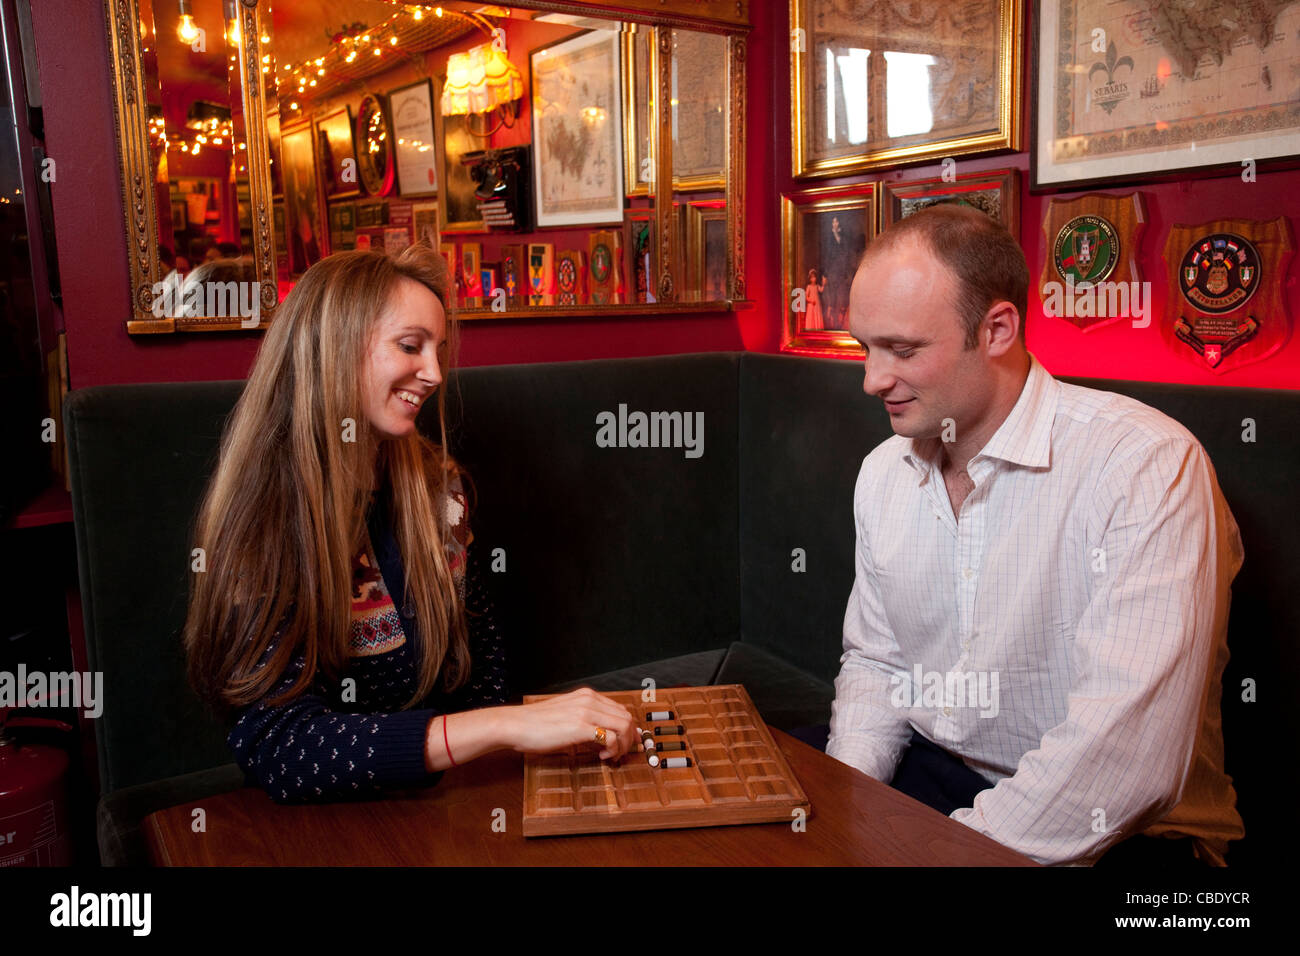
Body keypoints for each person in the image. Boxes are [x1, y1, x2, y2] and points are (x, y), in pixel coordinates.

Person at [825, 204, 1244, 866]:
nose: (873, 380)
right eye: (865, 349)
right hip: (943, 775)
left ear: (996, 329)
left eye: (902, 350)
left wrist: (935, 851)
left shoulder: (1147, 465)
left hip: (1126, 836)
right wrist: (844, 805)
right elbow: (878, 662)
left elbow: (1125, 765)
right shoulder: (883, 472)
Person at [183, 244, 638, 804]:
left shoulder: (435, 483)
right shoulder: (268, 516)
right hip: (324, 825)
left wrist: (504, 751)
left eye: (438, 350)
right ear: (335, 349)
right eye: (409, 346)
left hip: (439, 802)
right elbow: (281, 747)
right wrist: (501, 728)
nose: (433, 373)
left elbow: (479, 648)